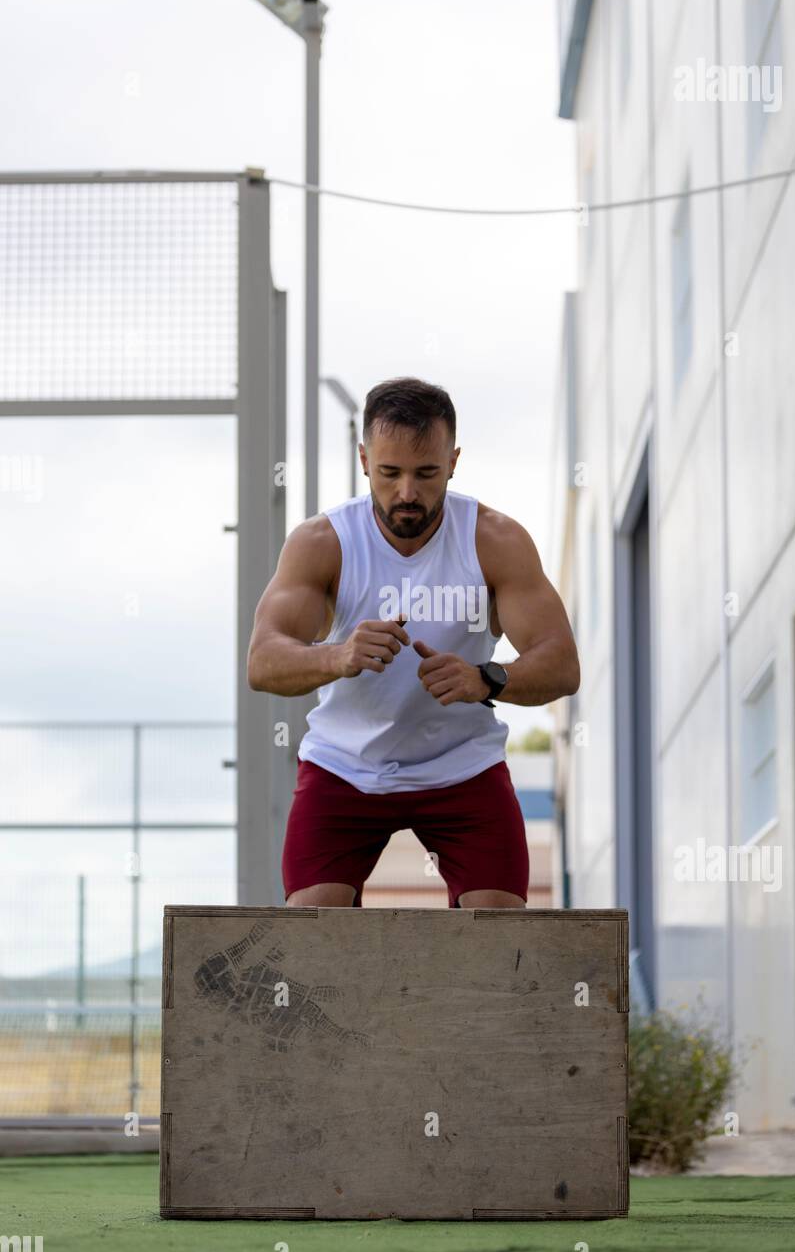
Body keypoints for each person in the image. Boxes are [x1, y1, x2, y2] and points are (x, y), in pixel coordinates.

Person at [247, 376, 581, 909]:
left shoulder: (495, 540)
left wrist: (486, 678)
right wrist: (339, 655)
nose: (407, 492)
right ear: (363, 460)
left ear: (453, 461)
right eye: (389, 473)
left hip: (460, 764)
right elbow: (263, 661)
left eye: (426, 473)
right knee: (313, 928)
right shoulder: (322, 543)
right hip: (346, 763)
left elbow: (561, 664)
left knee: (498, 934)